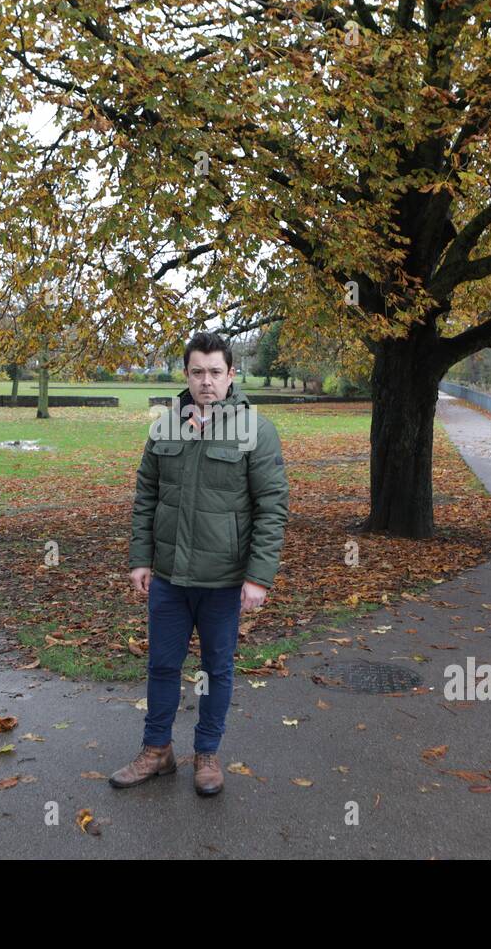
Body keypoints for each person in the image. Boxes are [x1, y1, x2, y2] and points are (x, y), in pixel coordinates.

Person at [111, 331, 289, 797]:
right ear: (185, 374)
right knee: (163, 666)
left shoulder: (256, 429)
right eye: (197, 371)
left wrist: (258, 576)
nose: (206, 381)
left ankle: (206, 755)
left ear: (232, 374)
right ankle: (157, 751)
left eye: (215, 372)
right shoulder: (165, 426)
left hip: (224, 580)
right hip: (169, 576)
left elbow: (272, 507)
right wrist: (139, 559)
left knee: (216, 669)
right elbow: (146, 496)